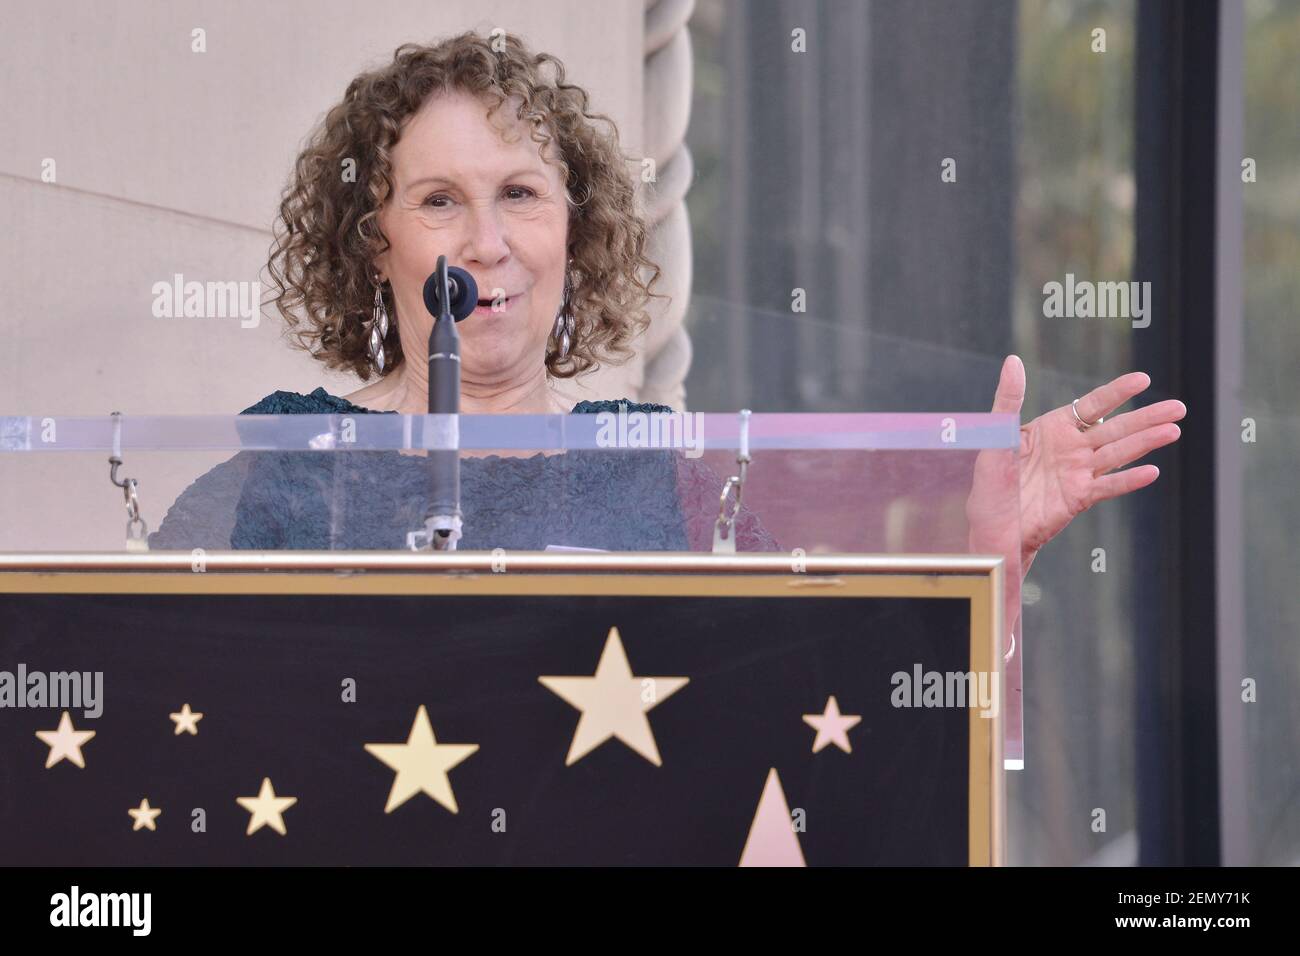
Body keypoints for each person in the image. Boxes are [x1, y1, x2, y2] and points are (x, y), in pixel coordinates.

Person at [150, 32, 1186, 594]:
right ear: (373, 240)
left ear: (575, 229)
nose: (485, 243)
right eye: (437, 201)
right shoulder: (282, 467)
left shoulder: (664, 470)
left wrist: (980, 552)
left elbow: (827, 706)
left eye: (519, 193)